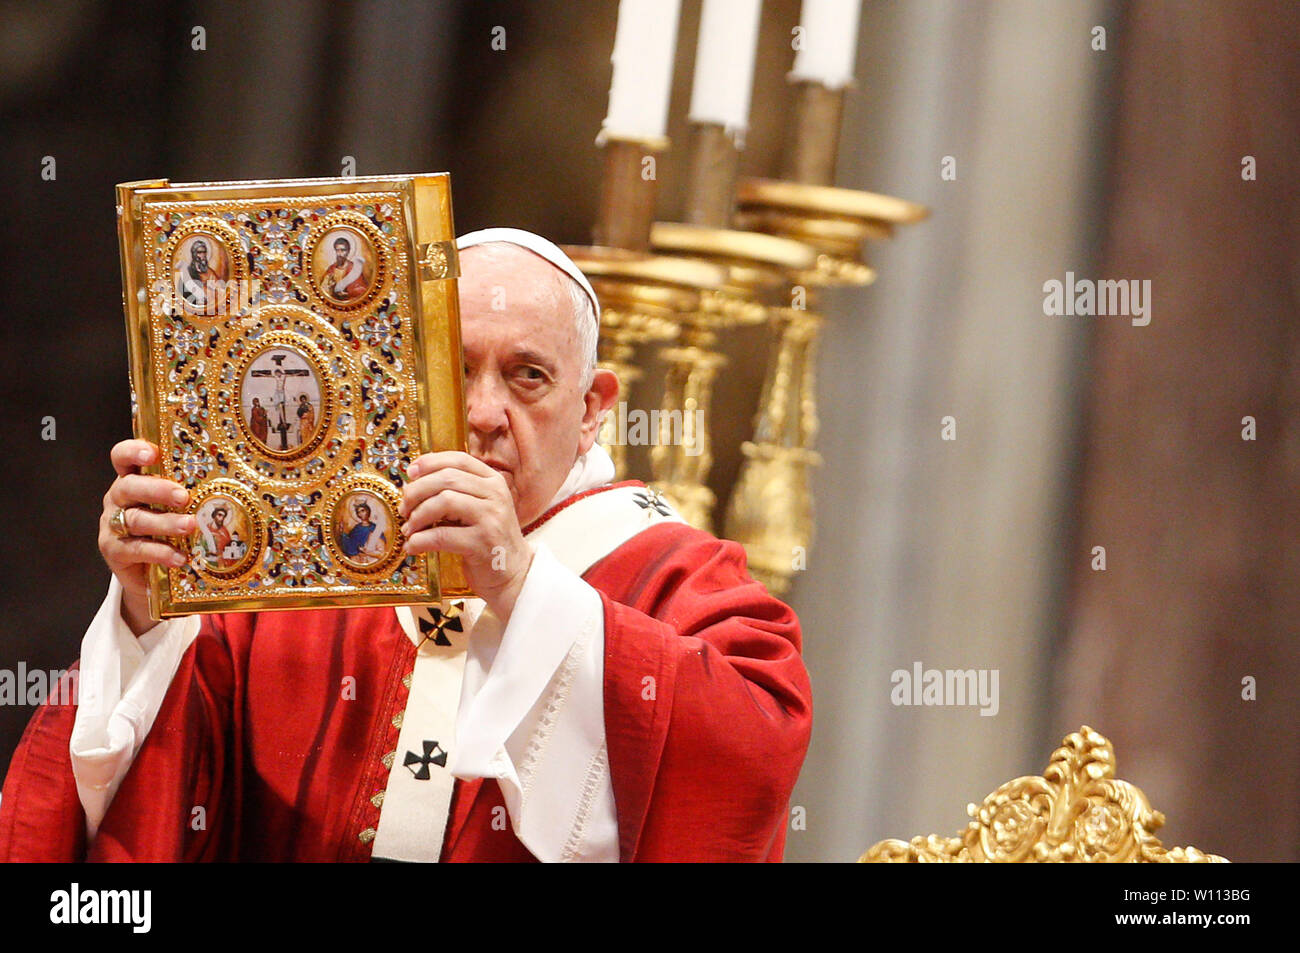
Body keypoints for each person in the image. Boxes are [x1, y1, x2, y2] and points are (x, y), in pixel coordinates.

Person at [0, 228, 812, 863]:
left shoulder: (670, 571)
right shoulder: (304, 556)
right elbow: (160, 783)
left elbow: (749, 753)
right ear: (398, 376)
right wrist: (148, 610)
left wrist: (522, 588)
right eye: (452, 371)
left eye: (528, 375)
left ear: (595, 405)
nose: (485, 413)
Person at [319, 235, 370, 302]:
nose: (340, 254)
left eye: (343, 250)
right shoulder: (332, 268)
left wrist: (348, 293)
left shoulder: (354, 268)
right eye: (337, 250)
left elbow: (363, 289)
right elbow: (322, 289)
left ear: (348, 251)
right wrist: (330, 288)